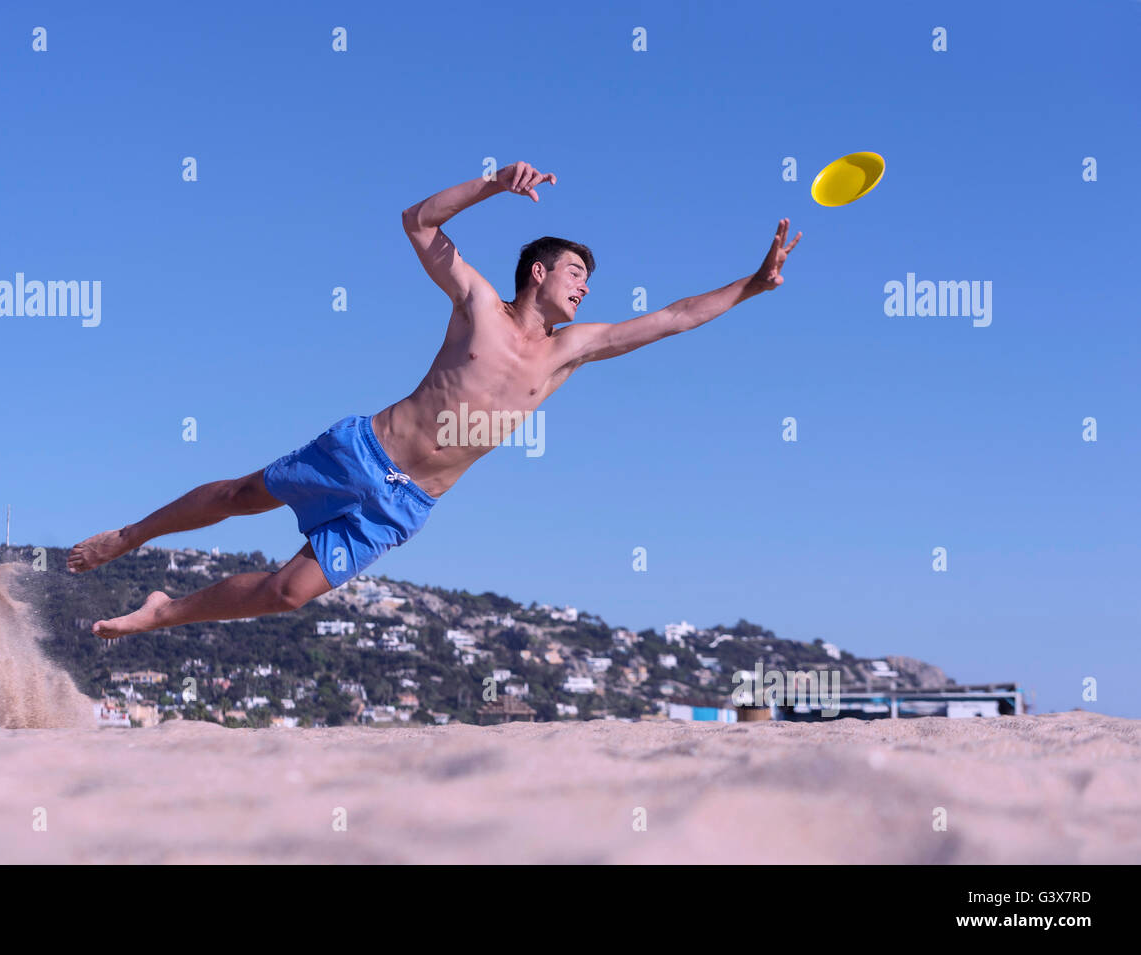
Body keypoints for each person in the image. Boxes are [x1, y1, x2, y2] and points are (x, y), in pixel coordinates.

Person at [68, 161, 801, 638]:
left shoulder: (570, 350)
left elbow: (672, 316)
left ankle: (165, 611)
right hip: (364, 451)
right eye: (576, 270)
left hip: (407, 502)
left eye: (588, 279)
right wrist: (492, 184)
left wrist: (751, 285)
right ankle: (131, 535)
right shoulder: (478, 303)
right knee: (240, 492)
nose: (584, 285)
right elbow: (417, 223)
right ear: (538, 270)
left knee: (289, 593)